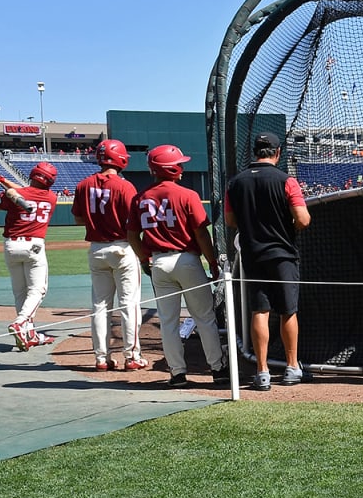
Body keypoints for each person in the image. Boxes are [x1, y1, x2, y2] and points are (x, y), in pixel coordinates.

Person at [128, 145, 226, 388]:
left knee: (168, 321)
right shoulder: (187, 195)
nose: (182, 168)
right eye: (179, 164)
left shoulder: (141, 198)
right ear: (171, 168)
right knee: (204, 318)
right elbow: (201, 234)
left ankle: (177, 373)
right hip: (187, 260)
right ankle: (218, 369)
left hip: (159, 263)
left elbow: (132, 235)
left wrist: (143, 260)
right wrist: (212, 261)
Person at [223, 132, 312, 391]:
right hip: (282, 254)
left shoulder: (235, 183)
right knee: (288, 311)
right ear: (278, 152)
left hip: (253, 254)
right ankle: (292, 367)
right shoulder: (286, 181)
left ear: (255, 151)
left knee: (259, 311)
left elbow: (230, 221)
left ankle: (262, 372)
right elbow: (303, 219)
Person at [72, 139, 147, 371]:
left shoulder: (83, 185)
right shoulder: (125, 186)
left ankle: (101, 358)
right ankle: (132, 356)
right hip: (122, 248)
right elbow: (135, 222)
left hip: (96, 249)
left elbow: (78, 219)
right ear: (120, 159)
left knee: (100, 306)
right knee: (129, 304)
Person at [0, 164, 59, 351]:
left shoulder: (20, 193)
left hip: (11, 245)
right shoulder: (52, 197)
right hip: (34, 246)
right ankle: (20, 323)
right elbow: (23, 191)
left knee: (20, 292)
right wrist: (0, 179)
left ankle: (29, 334)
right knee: (37, 291)